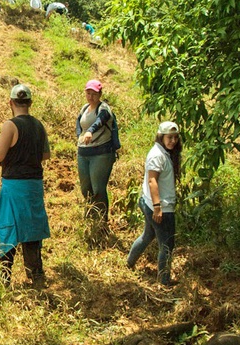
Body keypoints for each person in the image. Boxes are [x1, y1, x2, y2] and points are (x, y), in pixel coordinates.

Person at [0, 84, 51, 286]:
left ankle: (4, 277)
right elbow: (46, 155)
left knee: (7, 228)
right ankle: (36, 276)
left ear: (11, 102)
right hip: (34, 185)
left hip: (14, 186)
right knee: (32, 229)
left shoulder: (10, 125)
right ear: (30, 103)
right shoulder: (39, 126)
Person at [128, 121, 182, 286]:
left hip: (149, 202)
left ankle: (129, 263)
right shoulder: (157, 155)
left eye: (175, 137)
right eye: (169, 137)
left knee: (147, 236)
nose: (172, 141)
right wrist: (158, 208)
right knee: (166, 245)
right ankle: (164, 281)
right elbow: (152, 181)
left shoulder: (163, 152)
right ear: (161, 137)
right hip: (159, 207)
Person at [76, 79, 119, 236]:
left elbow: (100, 121)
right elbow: (78, 123)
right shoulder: (84, 108)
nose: (90, 96)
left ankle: (101, 223)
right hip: (84, 153)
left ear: (100, 94)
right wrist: (79, 136)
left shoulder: (104, 108)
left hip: (101, 153)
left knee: (98, 188)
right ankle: (90, 218)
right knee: (85, 188)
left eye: (94, 94)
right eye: (88, 93)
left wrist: (90, 131)